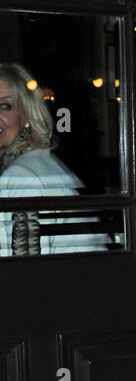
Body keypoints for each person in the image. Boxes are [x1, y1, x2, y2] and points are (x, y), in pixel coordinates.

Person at [0, 62, 106, 255]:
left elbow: (15, 268)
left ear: (28, 116)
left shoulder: (20, 175)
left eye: (5, 106)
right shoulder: (42, 162)